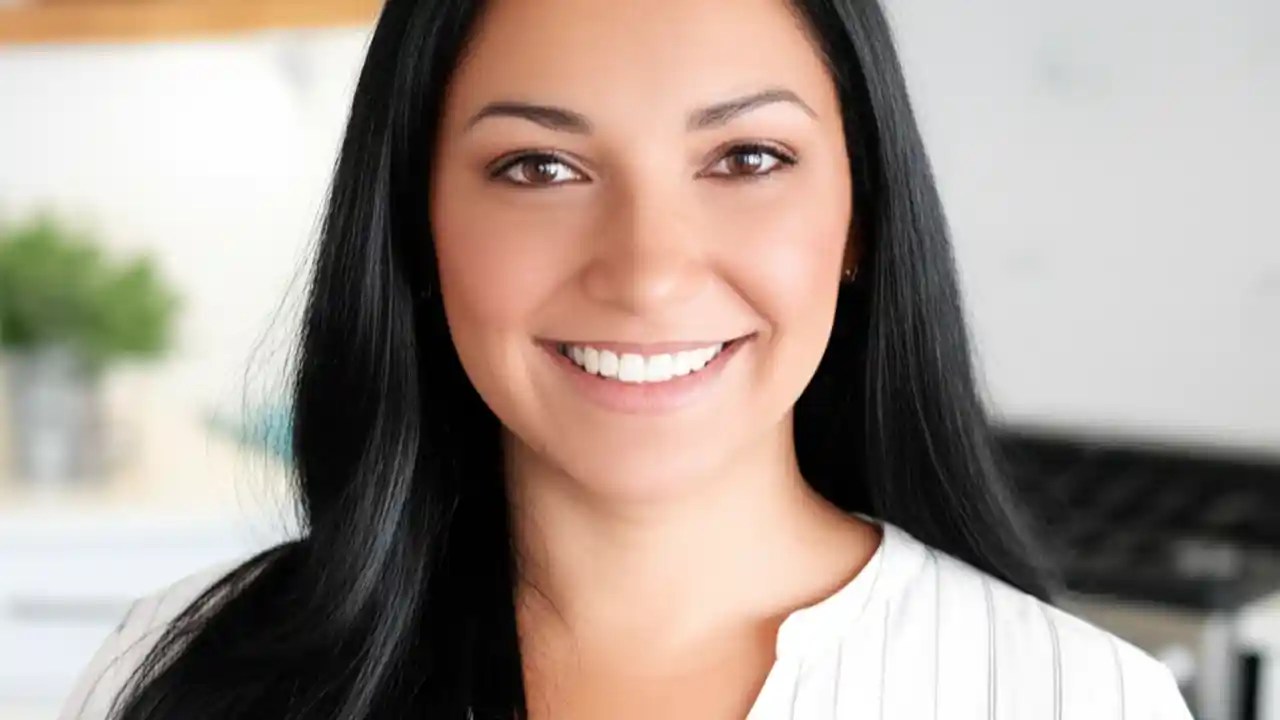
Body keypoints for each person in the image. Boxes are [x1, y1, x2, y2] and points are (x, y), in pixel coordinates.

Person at [61, 0, 1195, 717]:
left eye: (746, 156)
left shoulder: (1069, 699)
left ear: (860, 215)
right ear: (417, 224)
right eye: (539, 169)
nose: (646, 272)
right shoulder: (182, 668)